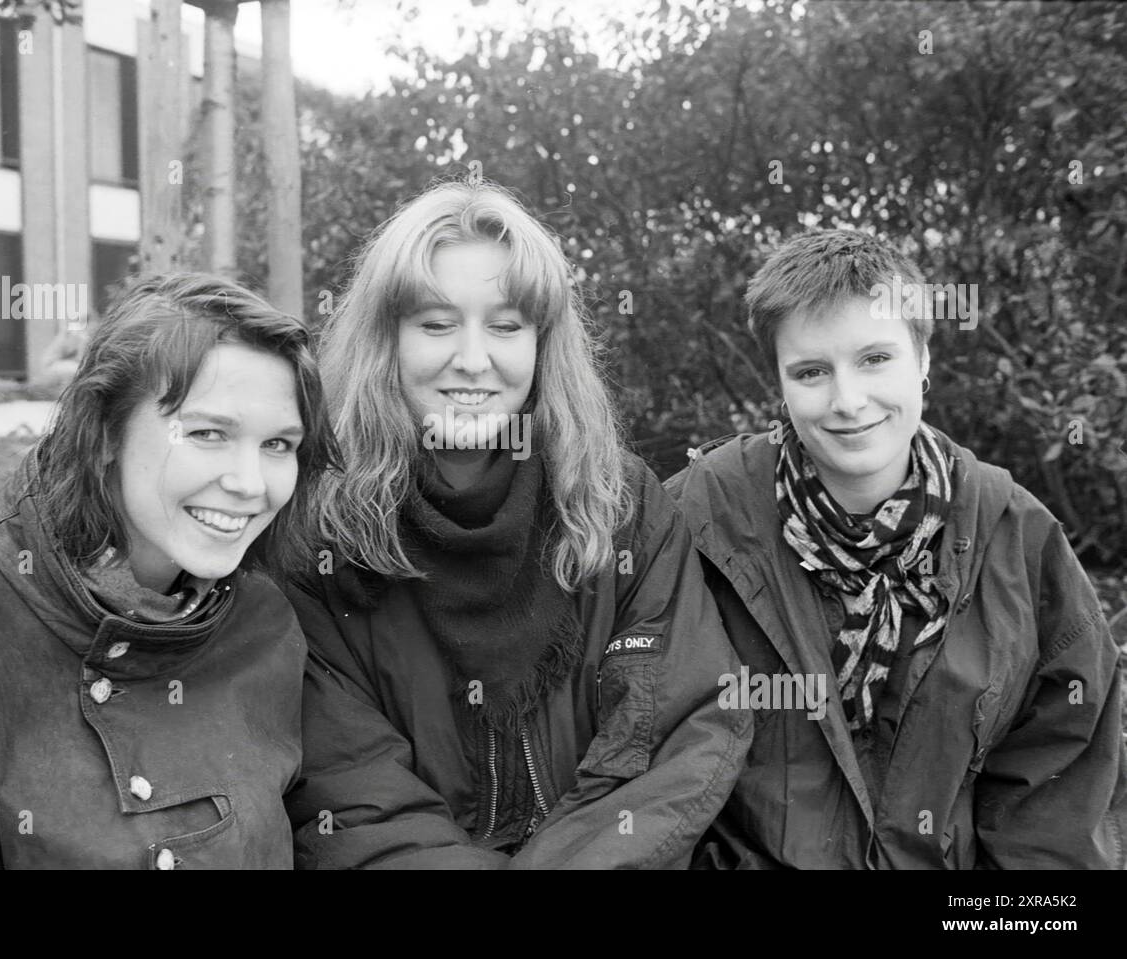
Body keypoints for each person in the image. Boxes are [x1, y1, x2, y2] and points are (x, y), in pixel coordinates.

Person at [280, 180, 751, 869]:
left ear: (543, 344)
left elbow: (680, 731)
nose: (473, 359)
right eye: (436, 324)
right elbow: (350, 790)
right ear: (387, 339)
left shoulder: (620, 505)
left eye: (505, 326)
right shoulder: (318, 534)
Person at [0, 273, 338, 868]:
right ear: (104, 434)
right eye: (206, 434)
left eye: (278, 445)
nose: (250, 485)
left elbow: (342, 815)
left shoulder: (267, 612)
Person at [665, 229, 1127, 868]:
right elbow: (642, 758)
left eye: (875, 359)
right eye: (811, 372)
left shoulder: (1018, 536)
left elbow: (1058, 790)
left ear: (924, 360)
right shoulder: (696, 519)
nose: (848, 401)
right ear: (779, 380)